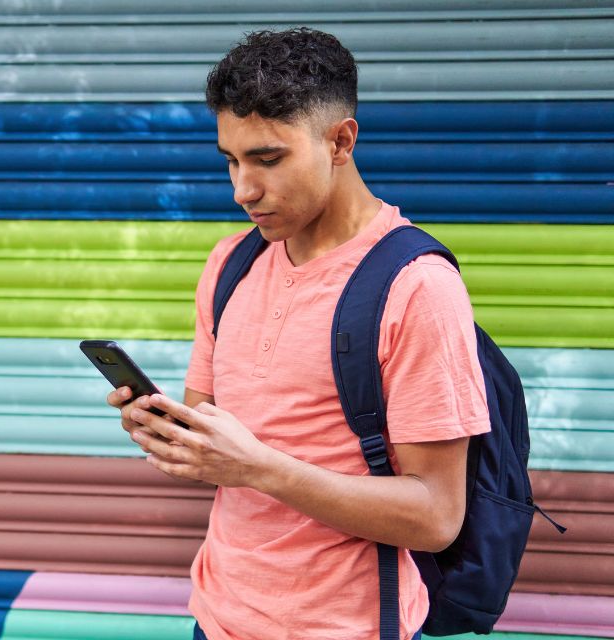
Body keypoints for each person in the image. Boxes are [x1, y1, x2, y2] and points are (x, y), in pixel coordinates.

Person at [106, 28, 491, 640]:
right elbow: (217, 447)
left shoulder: (416, 286)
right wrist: (172, 435)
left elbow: (437, 517)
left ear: (340, 141)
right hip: (218, 617)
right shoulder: (230, 265)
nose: (243, 190)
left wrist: (260, 468)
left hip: (348, 628)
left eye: (267, 160)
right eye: (231, 160)